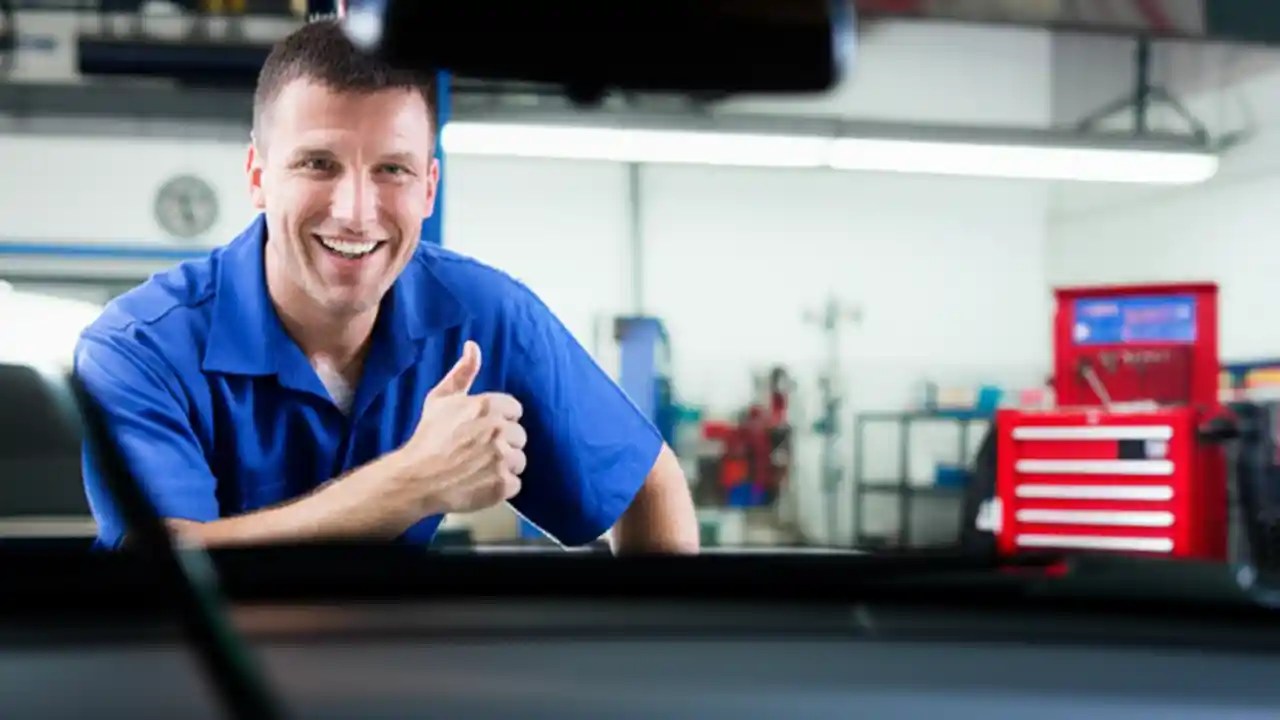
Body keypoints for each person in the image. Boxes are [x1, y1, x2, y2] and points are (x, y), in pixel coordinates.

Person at [74, 20, 700, 554]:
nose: (355, 210)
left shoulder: (486, 317)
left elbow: (650, 487)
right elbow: (159, 564)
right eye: (318, 164)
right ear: (258, 175)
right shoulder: (138, 348)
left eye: (392, 170)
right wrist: (413, 483)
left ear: (429, 188)